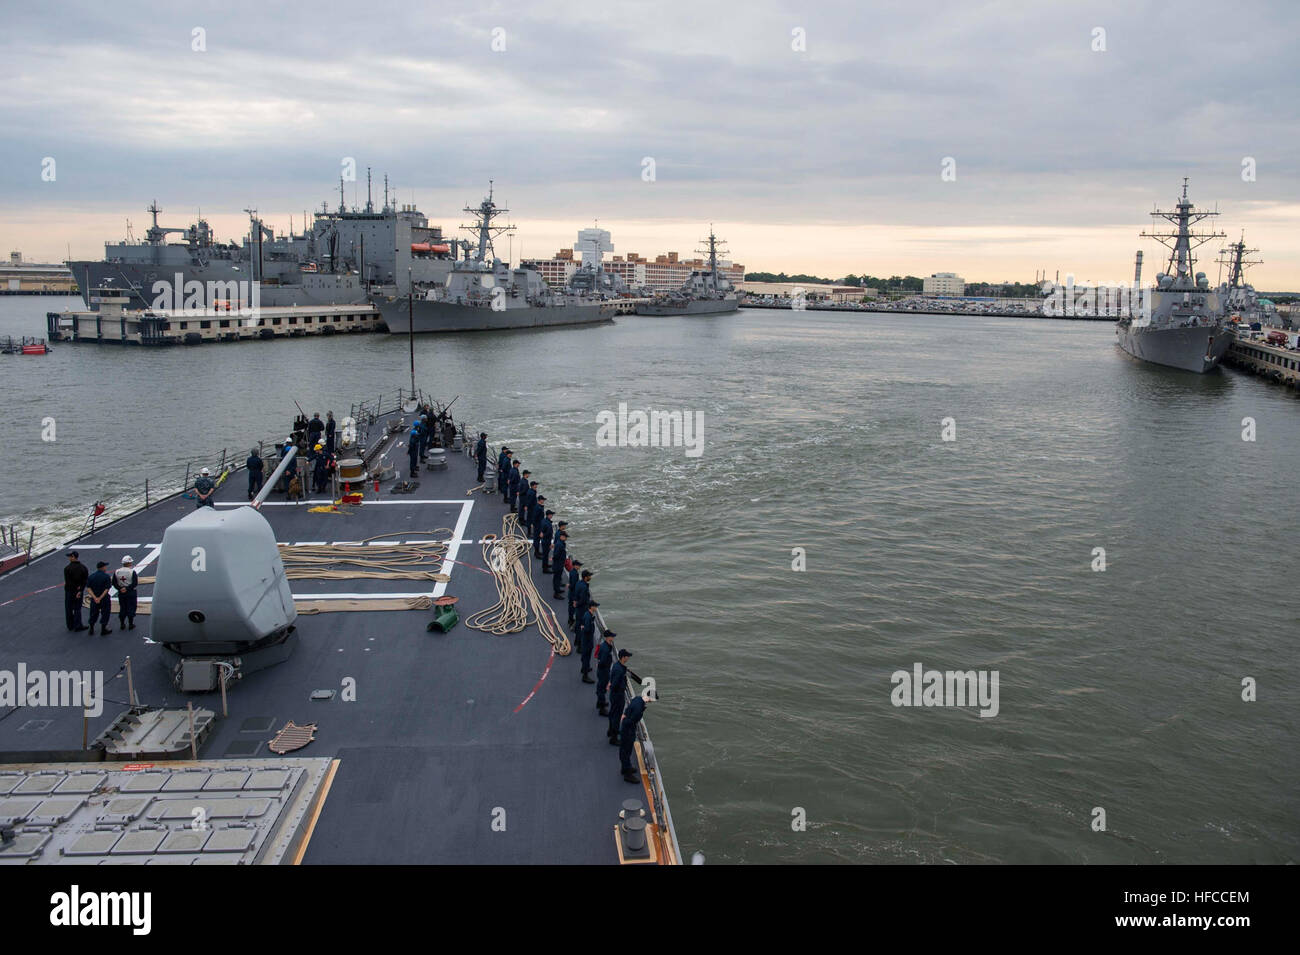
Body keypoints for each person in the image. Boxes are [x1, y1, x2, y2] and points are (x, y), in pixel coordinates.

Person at [619, 687, 656, 783]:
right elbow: (632, 721)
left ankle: (625, 768)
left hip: (626, 726)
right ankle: (627, 774)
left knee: (625, 749)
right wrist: (629, 728)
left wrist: (624, 716)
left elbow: (628, 708)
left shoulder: (637, 699)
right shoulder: (639, 707)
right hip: (628, 729)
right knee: (626, 750)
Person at [607, 649, 633, 743]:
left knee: (613, 713)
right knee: (617, 716)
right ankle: (613, 738)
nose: (628, 658)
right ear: (623, 657)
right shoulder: (619, 670)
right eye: (627, 656)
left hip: (615, 694)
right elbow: (615, 683)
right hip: (618, 695)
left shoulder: (618, 666)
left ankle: (610, 731)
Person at [86, 561, 113, 636]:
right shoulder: (106, 576)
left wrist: (95, 598)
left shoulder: (91, 576)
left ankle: (91, 628)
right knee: (105, 613)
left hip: (94, 599)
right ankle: (103, 629)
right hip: (104, 599)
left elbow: (88, 588)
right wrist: (100, 598)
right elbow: (107, 589)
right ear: (103, 567)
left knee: (93, 613)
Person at [63, 550, 88, 632]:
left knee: (68, 608)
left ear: (73, 557)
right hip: (78, 591)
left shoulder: (67, 569)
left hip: (69, 591)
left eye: (70, 556)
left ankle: (70, 625)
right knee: (77, 608)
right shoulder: (83, 568)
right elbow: (84, 581)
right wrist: (80, 591)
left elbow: (68, 582)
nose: (69, 558)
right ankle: (78, 625)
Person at [594, 629, 617, 715]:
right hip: (604, 671)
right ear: (608, 638)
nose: (613, 637)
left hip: (603, 670)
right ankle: (602, 708)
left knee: (601, 687)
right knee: (602, 688)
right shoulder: (606, 649)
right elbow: (603, 661)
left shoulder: (605, 645)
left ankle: (600, 703)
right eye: (612, 636)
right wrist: (603, 668)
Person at [576, 599, 599, 683]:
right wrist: (584, 628)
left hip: (585, 639)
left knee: (585, 655)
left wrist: (583, 627)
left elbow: (583, 624)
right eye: (595, 606)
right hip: (587, 640)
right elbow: (588, 629)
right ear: (592, 607)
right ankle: (585, 676)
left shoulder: (587, 614)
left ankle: (584, 668)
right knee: (586, 657)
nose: (596, 607)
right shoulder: (589, 617)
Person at [114, 556, 138, 630]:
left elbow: (114, 583)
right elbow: (134, 583)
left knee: (123, 608)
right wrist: (127, 588)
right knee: (131, 607)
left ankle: (122, 624)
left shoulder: (117, 571)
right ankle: (130, 624)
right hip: (130, 592)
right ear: (129, 563)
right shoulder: (132, 572)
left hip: (121, 593)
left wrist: (120, 589)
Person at [551, 529, 568, 599]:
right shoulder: (559, 545)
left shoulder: (560, 544)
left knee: (558, 578)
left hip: (559, 563)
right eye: (565, 537)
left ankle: (557, 590)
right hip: (558, 564)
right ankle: (556, 593)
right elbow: (556, 555)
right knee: (557, 579)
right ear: (561, 537)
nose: (566, 538)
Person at [567, 559, 583, 625]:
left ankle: (570, 619)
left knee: (571, 607)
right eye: (579, 565)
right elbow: (574, 585)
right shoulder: (575, 573)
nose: (579, 567)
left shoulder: (572, 571)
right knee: (572, 607)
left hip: (571, 593)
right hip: (573, 593)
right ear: (575, 566)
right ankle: (571, 620)